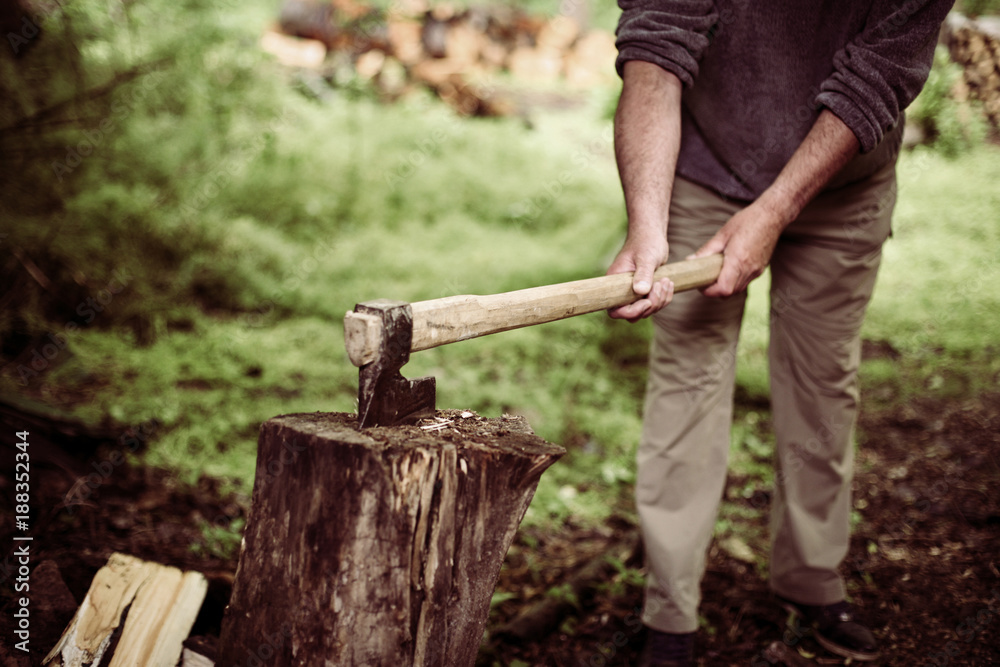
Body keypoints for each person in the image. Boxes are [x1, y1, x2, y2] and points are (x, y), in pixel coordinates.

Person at [605, 1, 955, 664]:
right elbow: (656, 42)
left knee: (822, 382)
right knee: (688, 377)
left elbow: (879, 73)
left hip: (845, 179)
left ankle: (812, 579)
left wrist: (774, 210)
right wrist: (647, 225)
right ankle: (669, 612)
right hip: (703, 165)